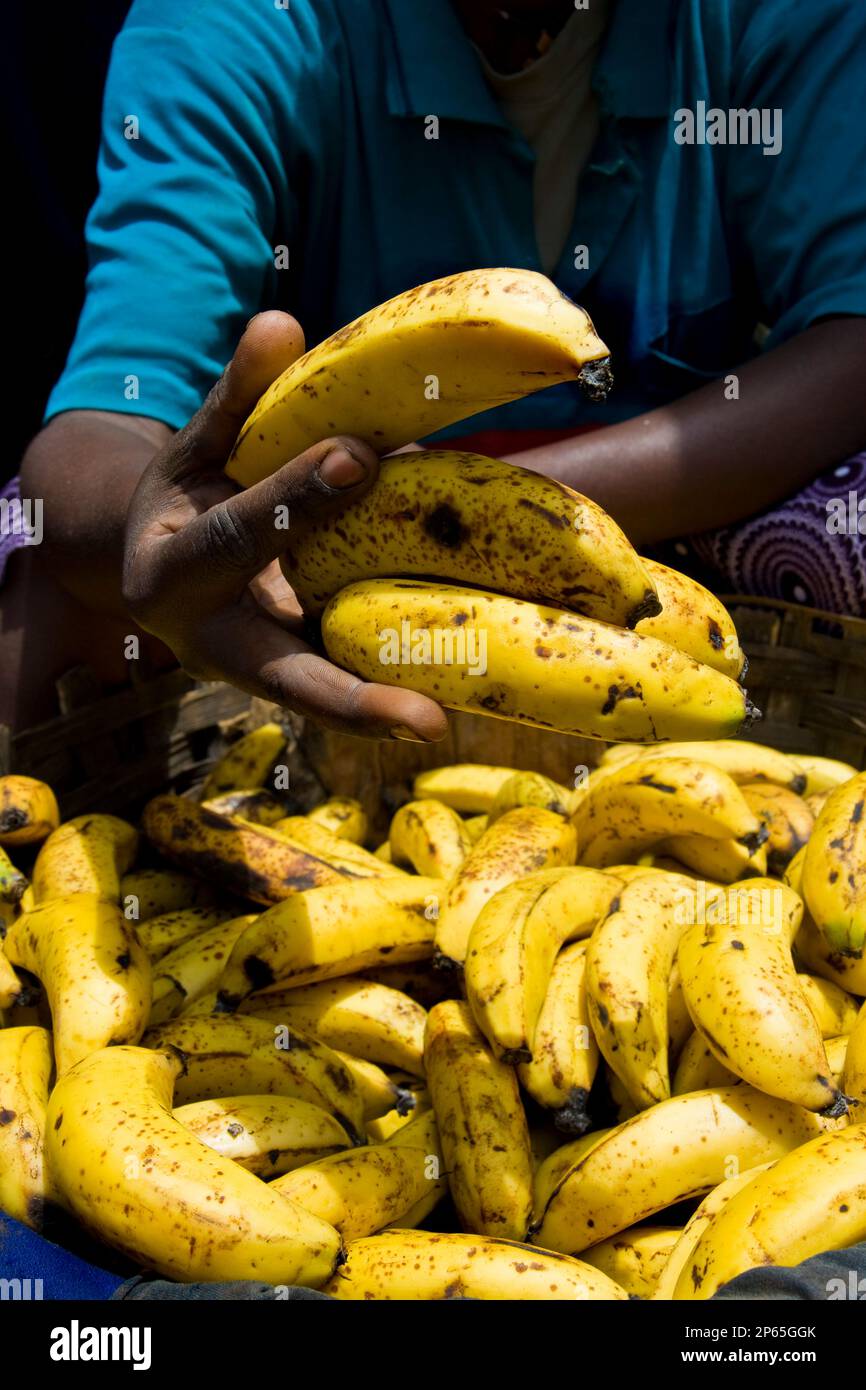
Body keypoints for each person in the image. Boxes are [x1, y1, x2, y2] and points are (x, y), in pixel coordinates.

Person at [4, 0, 866, 731]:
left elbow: (851, 337)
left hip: (667, 539)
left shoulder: (769, 17)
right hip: (313, 562)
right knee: (45, 571)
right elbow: (110, 411)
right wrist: (161, 538)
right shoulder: (240, 24)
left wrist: (468, 514)